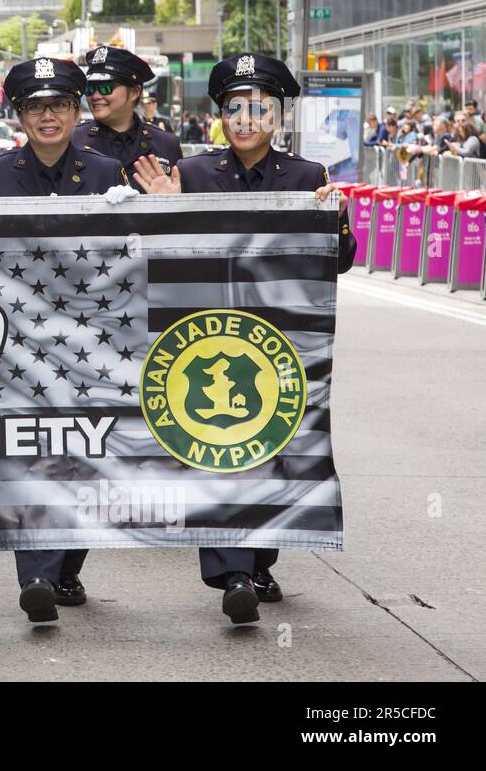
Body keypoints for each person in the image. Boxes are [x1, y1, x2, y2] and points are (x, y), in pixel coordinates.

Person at [133, 52, 356, 626]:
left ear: (278, 115)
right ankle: (231, 571)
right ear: (220, 116)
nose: (246, 118)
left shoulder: (308, 178)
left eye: (259, 107)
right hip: (208, 334)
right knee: (217, 445)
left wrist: (335, 221)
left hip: (281, 340)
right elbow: (162, 255)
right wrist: (165, 211)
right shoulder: (196, 175)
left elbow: (341, 262)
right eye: (234, 108)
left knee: (273, 444)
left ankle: (258, 560)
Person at [0, 57, 133, 624]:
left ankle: (65, 571)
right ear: (20, 113)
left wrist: (134, 213)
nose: (48, 117)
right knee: (28, 456)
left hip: (92, 344)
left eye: (59, 105)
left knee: (82, 456)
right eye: (36, 107)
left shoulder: (108, 171)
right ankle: (36, 575)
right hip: (17, 346)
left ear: (75, 110)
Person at [73, 46, 182, 190]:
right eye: (90, 89)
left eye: (106, 88)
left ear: (135, 92)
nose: (95, 96)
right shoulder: (73, 140)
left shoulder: (166, 144)